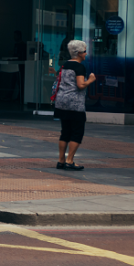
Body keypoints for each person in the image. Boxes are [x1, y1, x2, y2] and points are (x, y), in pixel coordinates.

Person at [53, 40, 95, 171]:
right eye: (84, 51)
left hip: (61, 102)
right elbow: (80, 85)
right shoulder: (79, 67)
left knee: (65, 132)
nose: (86, 54)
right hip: (75, 103)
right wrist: (91, 80)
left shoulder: (64, 65)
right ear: (79, 53)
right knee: (77, 132)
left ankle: (61, 160)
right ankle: (70, 161)